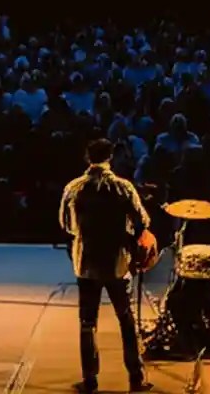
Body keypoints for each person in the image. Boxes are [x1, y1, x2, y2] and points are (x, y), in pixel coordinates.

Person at [59, 139, 154, 393]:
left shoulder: (74, 188)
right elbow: (142, 221)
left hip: (87, 262)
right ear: (111, 157)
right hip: (117, 262)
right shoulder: (123, 187)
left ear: (87, 157)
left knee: (87, 322)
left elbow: (66, 225)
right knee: (126, 318)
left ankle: (90, 379)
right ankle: (136, 377)